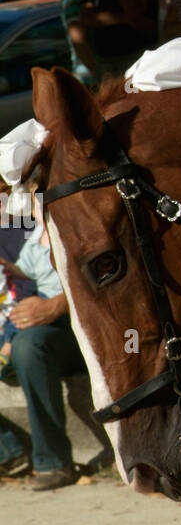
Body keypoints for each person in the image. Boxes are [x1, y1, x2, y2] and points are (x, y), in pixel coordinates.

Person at [0, 196, 88, 488]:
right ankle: (9, 454)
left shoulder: (83, 230)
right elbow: (22, 273)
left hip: (87, 331)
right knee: (27, 343)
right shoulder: (36, 240)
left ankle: (53, 463)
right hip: (44, 332)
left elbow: (109, 288)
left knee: (28, 346)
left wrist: (57, 305)